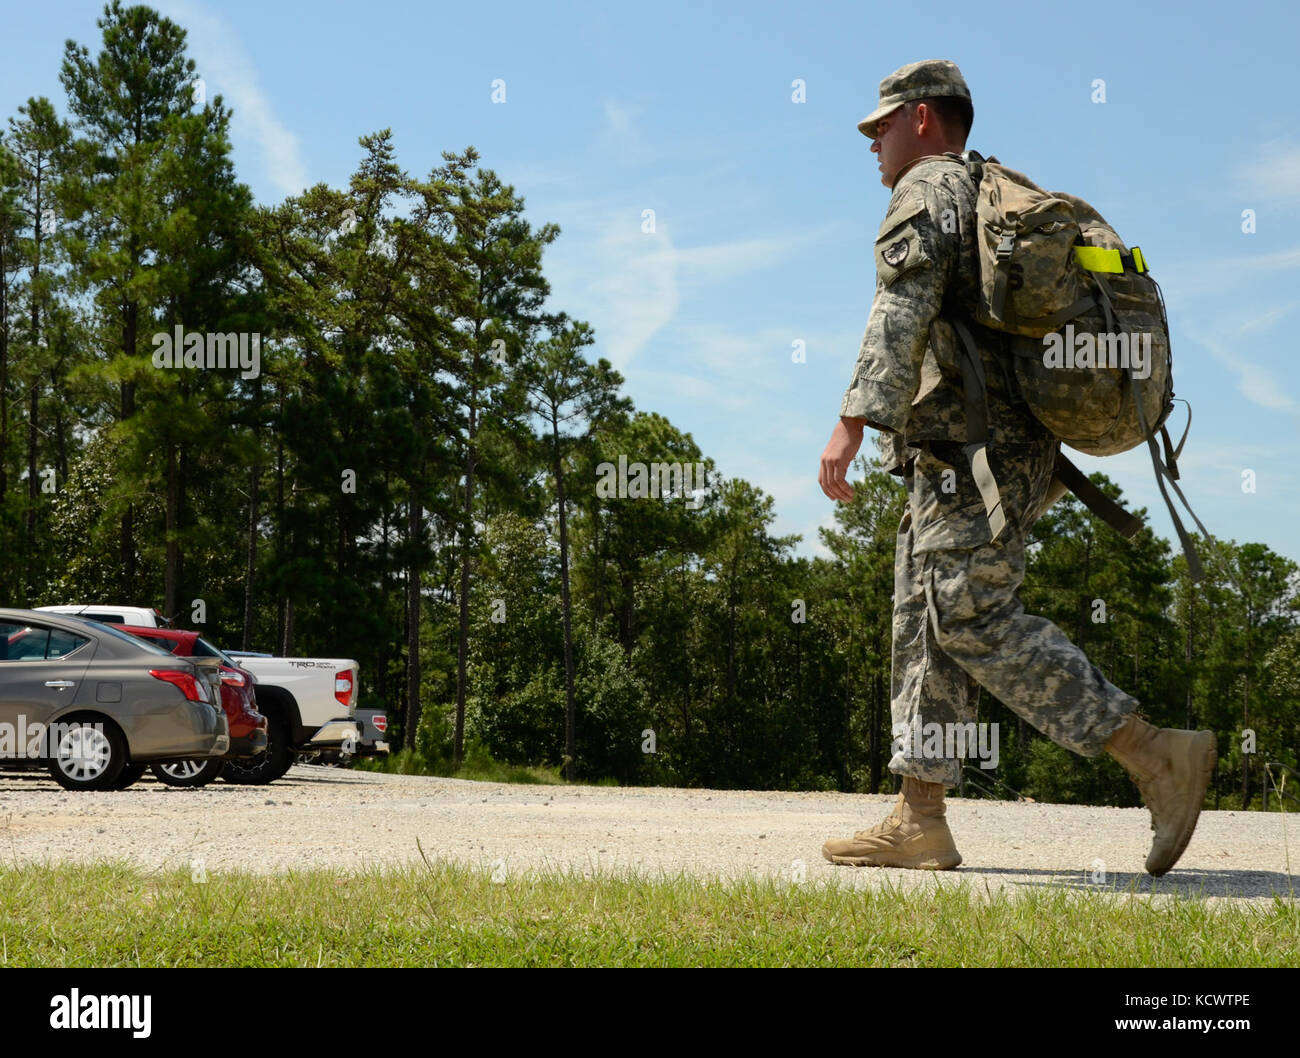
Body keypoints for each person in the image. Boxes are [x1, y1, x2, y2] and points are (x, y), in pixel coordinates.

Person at [816, 59, 1217, 876]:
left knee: (972, 617)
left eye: (881, 126)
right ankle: (918, 818)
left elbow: (901, 303)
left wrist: (851, 421)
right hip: (974, 452)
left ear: (924, 119)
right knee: (930, 617)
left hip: (979, 456)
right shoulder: (986, 187)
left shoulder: (928, 187)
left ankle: (1152, 755)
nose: (873, 145)